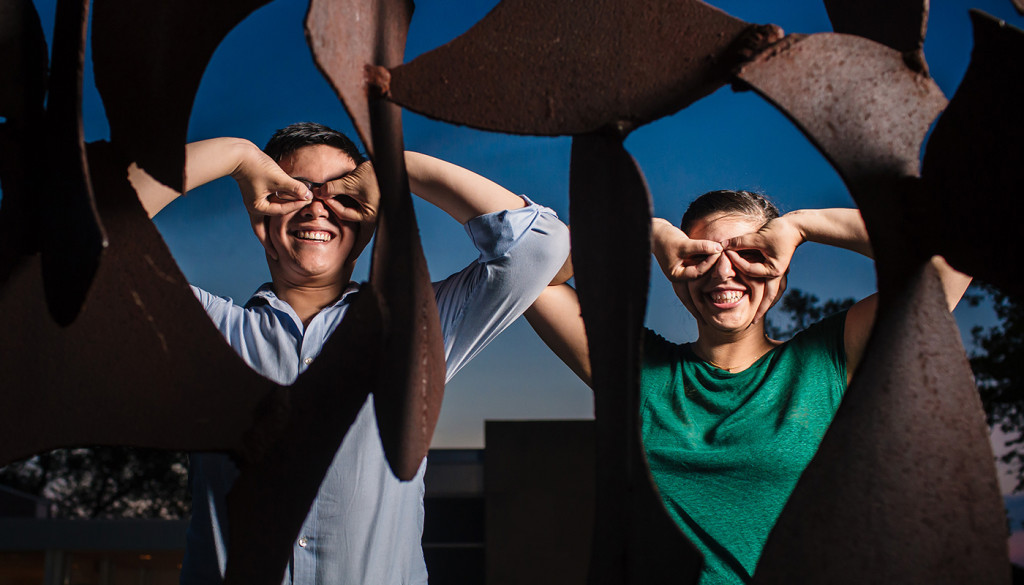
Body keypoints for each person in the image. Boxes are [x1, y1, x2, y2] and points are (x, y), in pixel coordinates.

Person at [130, 122, 570, 585]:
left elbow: (539, 246)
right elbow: (79, 242)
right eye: (293, 191)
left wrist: (399, 168)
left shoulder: (415, 327)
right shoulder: (207, 331)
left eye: (342, 195)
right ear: (260, 213)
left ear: (368, 221)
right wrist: (234, 157)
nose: (317, 208)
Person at [524, 189, 970, 585]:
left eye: (751, 255)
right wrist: (647, 233)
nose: (723, 273)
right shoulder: (642, 371)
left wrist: (803, 226)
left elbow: (951, 257)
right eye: (701, 256)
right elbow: (526, 267)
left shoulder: (825, 361)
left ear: (782, 271)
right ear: (677, 273)